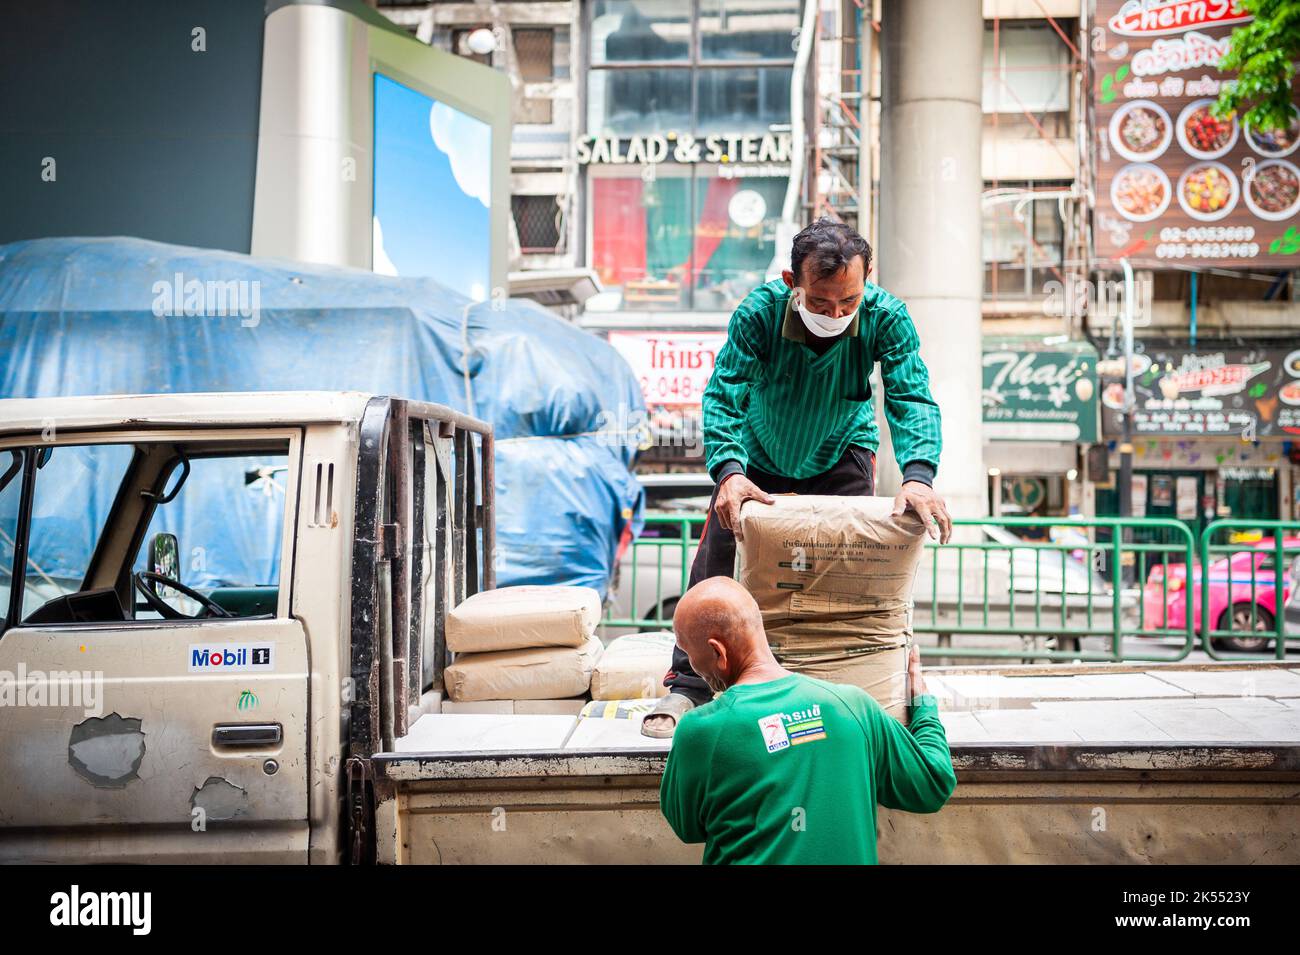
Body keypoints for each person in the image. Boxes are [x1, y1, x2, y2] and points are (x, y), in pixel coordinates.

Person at [643, 217, 952, 738]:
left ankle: (838, 684)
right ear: (792, 282)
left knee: (846, 567)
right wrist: (729, 472)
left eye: (848, 303)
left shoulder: (889, 318)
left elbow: (910, 396)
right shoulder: (758, 314)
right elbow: (725, 394)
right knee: (718, 561)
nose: (835, 314)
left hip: (842, 451)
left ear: (868, 277)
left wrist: (918, 476)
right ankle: (687, 687)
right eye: (821, 301)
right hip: (758, 455)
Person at [658, 577, 956, 865]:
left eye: (689, 655)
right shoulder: (854, 706)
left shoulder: (701, 730)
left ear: (718, 652)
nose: (693, 668)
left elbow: (687, 828)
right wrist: (922, 704)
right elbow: (933, 783)